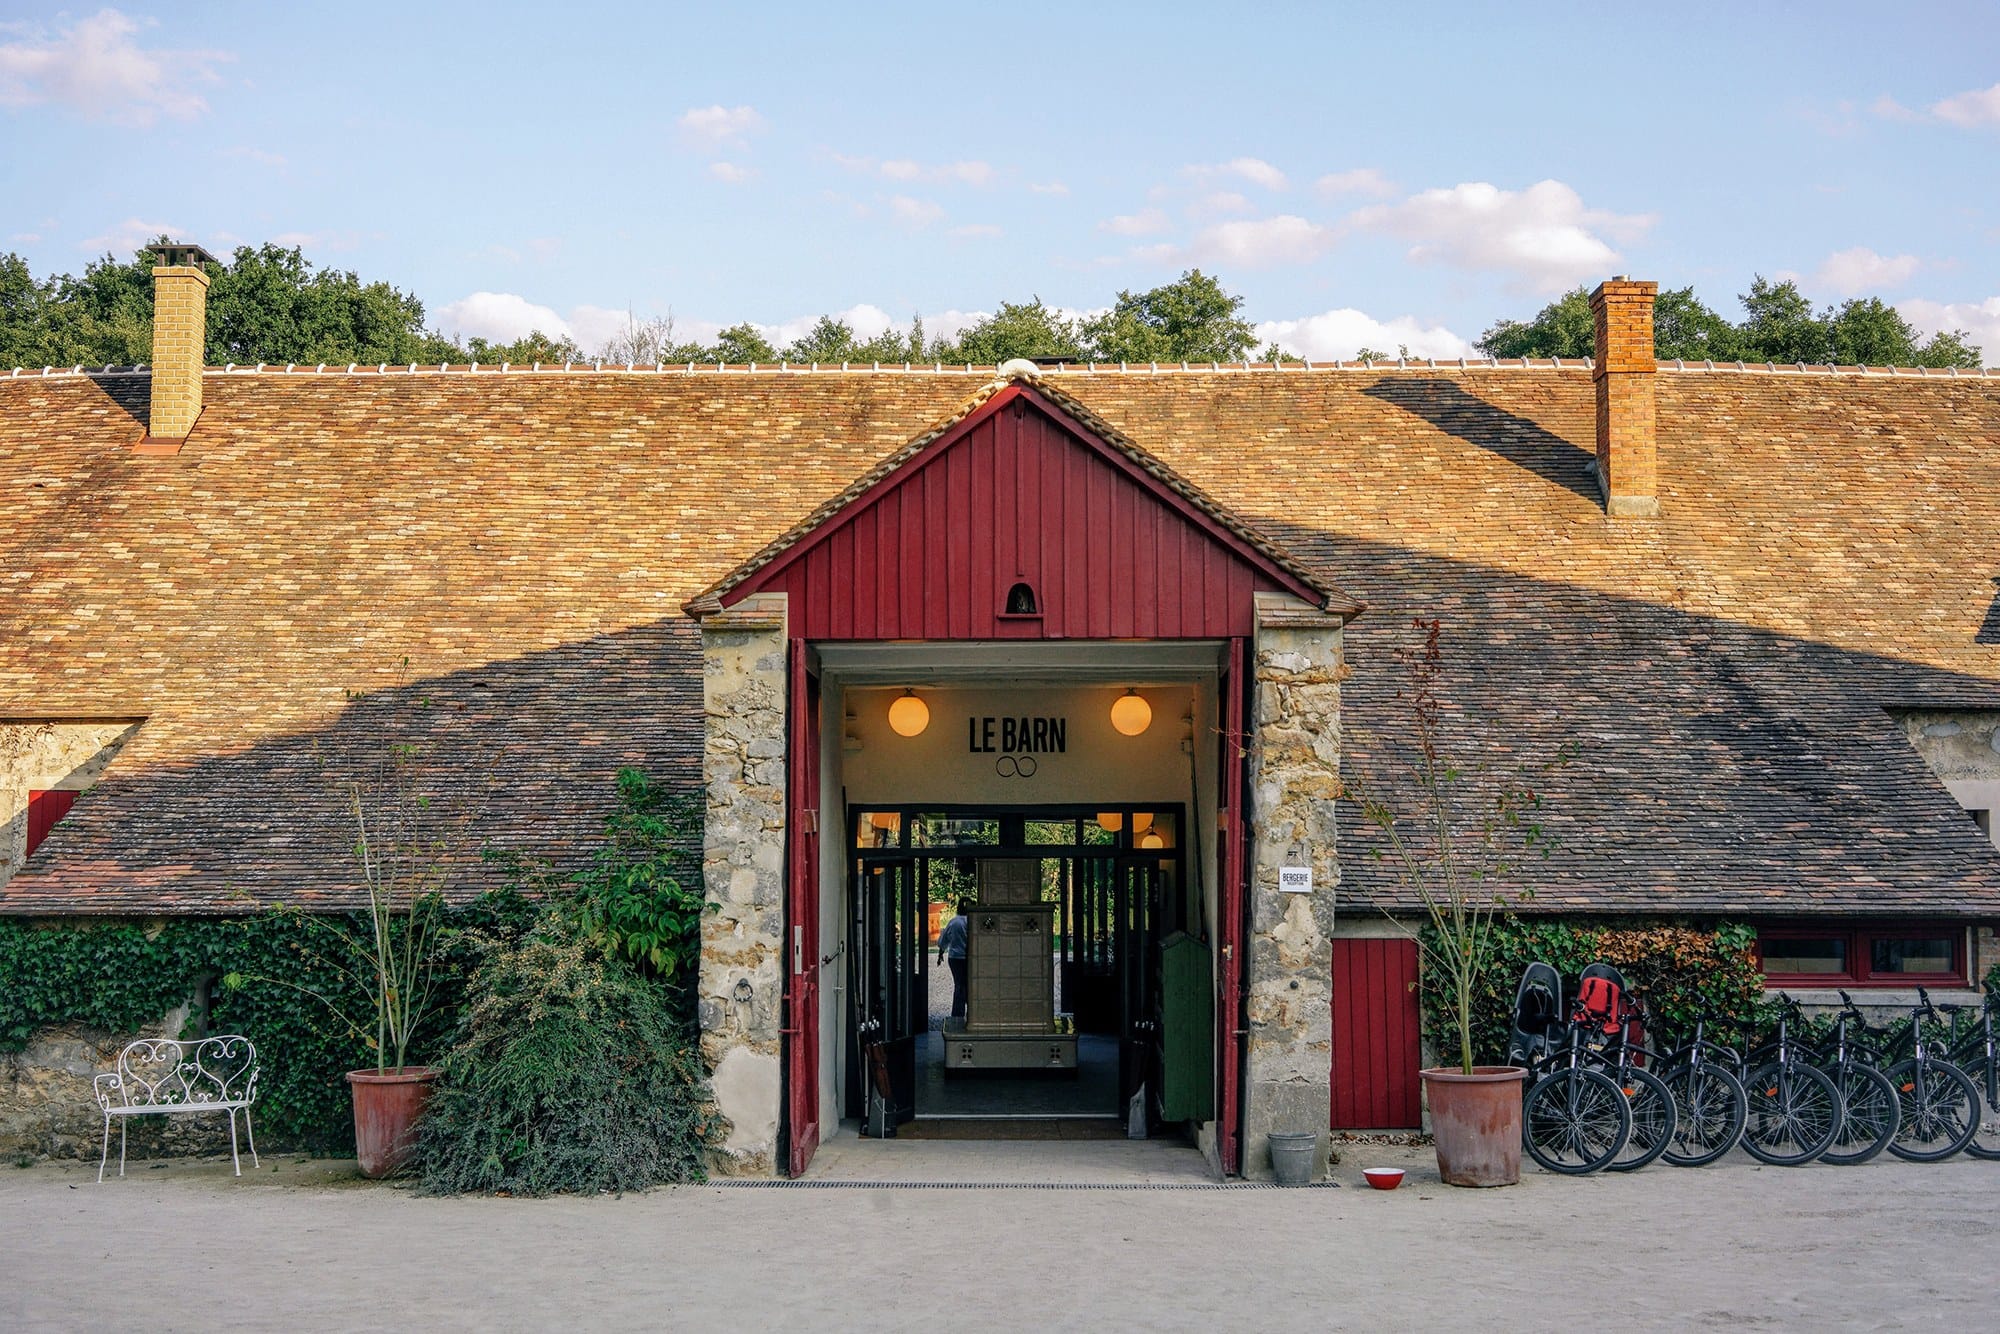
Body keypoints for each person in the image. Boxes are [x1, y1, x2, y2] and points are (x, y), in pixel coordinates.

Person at [937, 900, 971, 1021]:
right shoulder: (971, 922)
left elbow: (943, 940)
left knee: (959, 984)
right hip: (969, 957)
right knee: (969, 985)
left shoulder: (953, 922)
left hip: (955, 957)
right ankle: (971, 1011)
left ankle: (957, 1013)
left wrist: (941, 953)